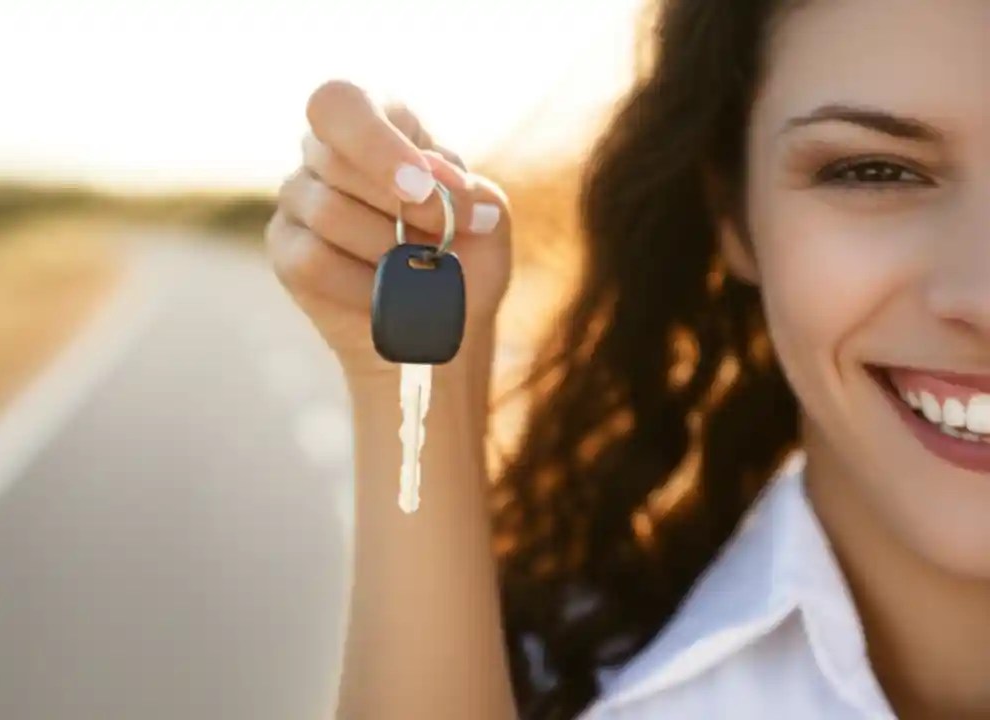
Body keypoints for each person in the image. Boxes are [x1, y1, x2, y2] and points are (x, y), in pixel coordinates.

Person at [265, 0, 989, 717]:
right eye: (876, 172)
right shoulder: (566, 681)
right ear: (732, 210)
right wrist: (416, 373)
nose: (981, 298)